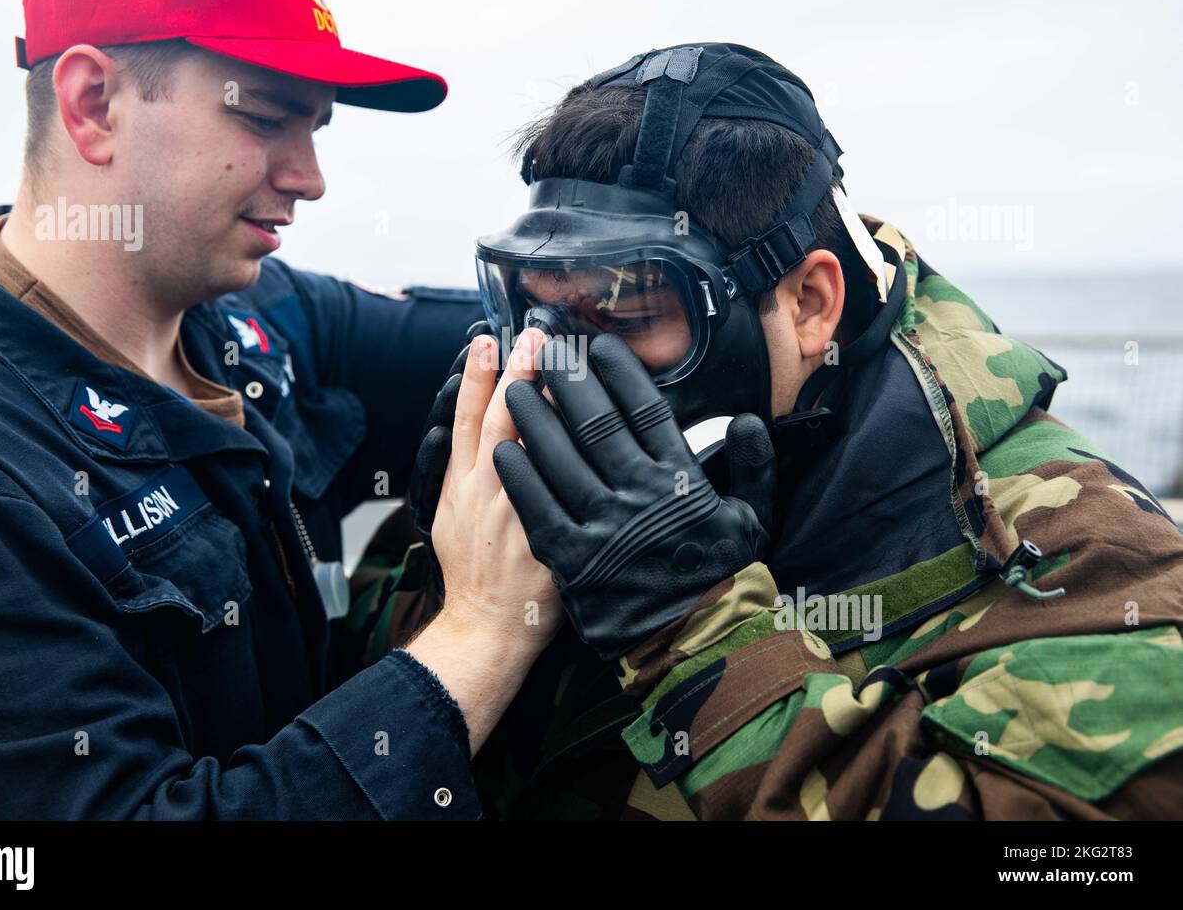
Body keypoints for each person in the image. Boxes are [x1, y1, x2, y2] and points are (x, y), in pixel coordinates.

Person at [347, 43, 1183, 819]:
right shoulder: (558, 471)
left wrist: (691, 624)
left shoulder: (1085, 553)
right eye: (539, 307)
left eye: (632, 309)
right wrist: (442, 575)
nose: (564, 367)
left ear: (809, 305)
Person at [0, 0, 565, 819]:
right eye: (267, 119)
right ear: (94, 104)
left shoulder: (255, 315)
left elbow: (519, 332)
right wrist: (480, 633)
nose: (311, 179)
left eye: (317, 129)